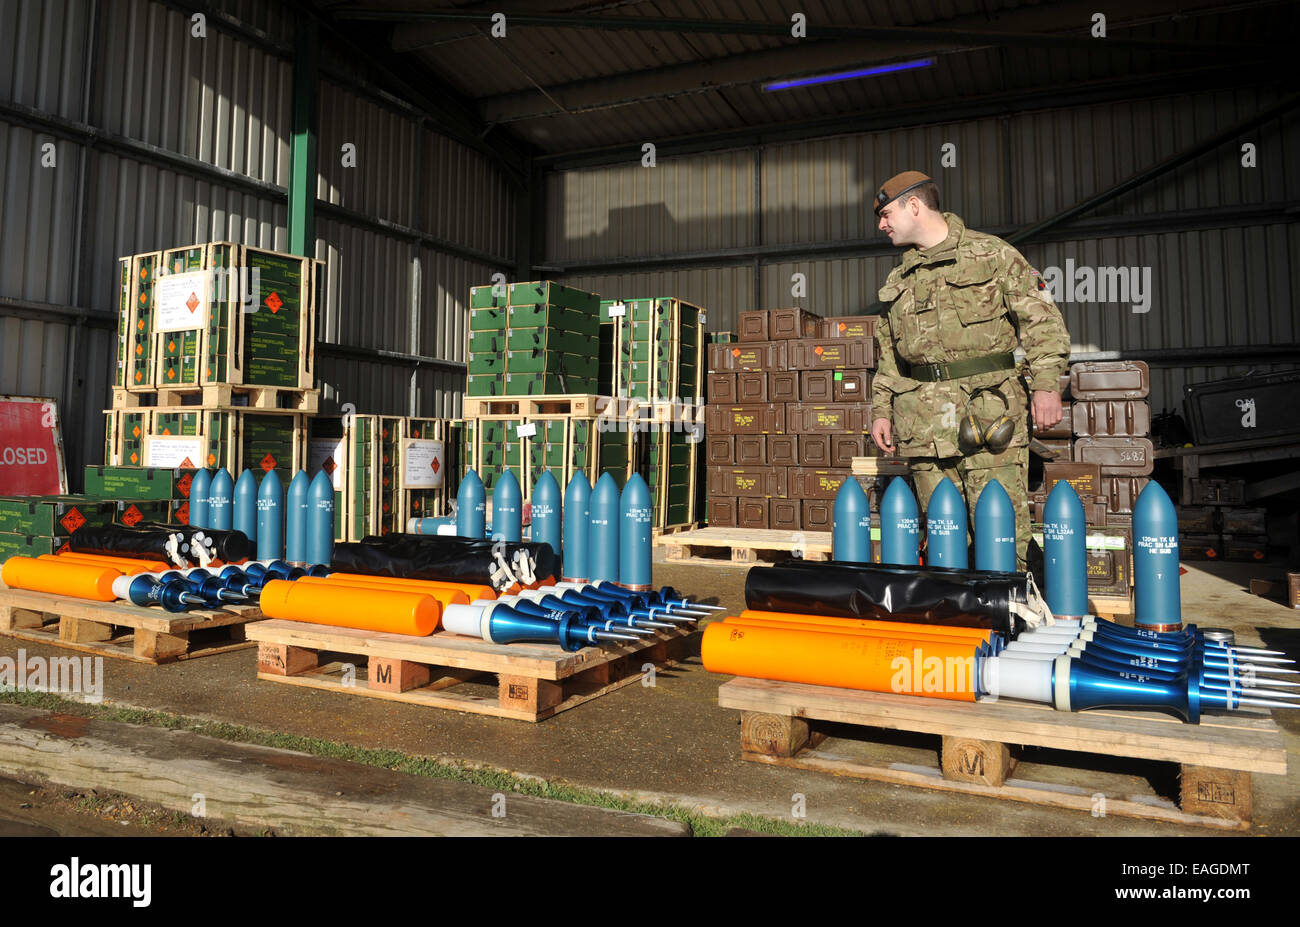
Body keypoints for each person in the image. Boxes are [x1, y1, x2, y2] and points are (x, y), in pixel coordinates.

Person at [868, 171, 1070, 569]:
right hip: (923, 426)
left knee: (1002, 532)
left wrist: (1046, 385)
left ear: (914, 205)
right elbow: (889, 353)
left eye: (886, 213)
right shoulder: (898, 280)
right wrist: (881, 408)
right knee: (944, 536)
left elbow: (1043, 323)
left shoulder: (993, 254)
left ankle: (1011, 618)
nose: (881, 225)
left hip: (988, 418)